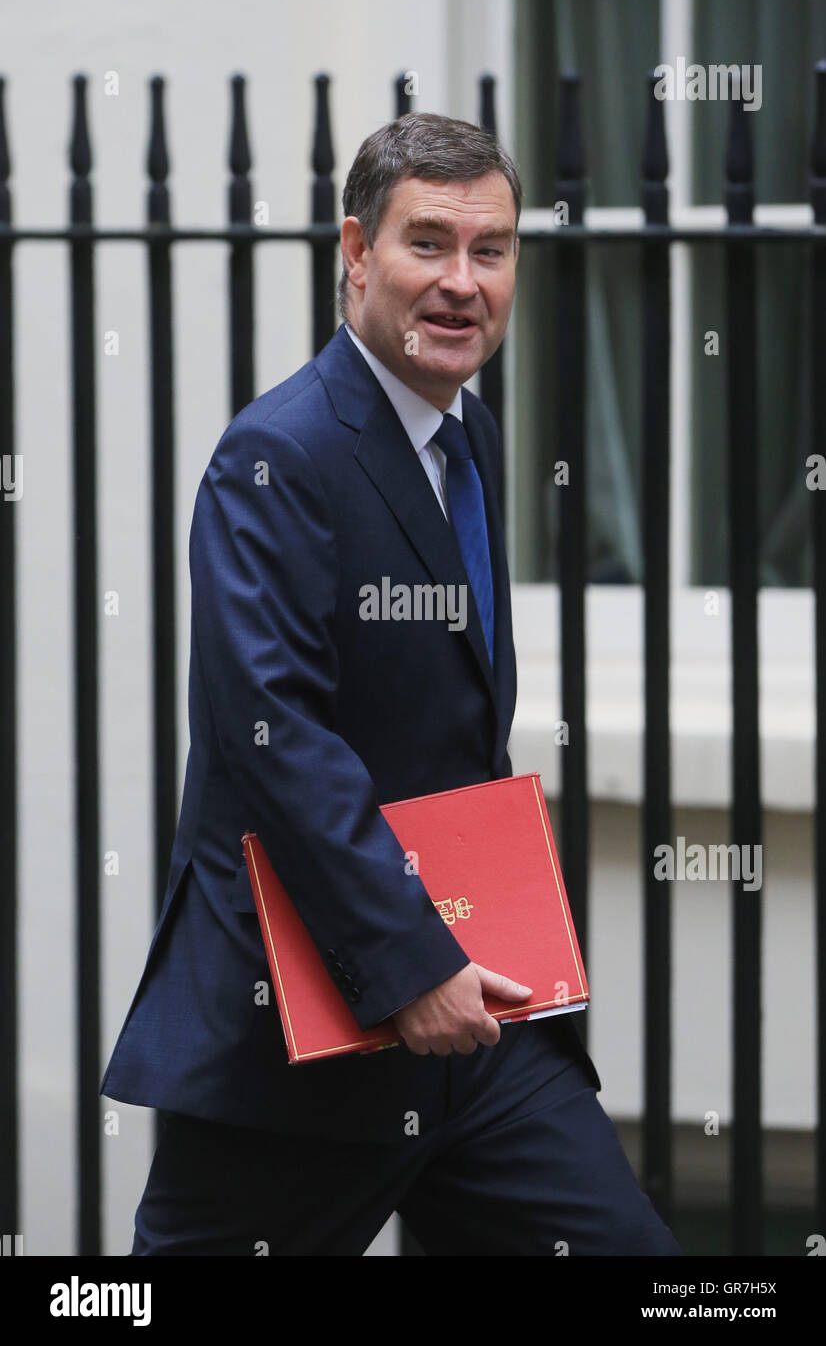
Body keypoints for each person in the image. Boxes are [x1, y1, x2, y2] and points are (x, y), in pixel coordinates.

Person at [100, 111, 682, 1257]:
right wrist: (408, 964)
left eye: (492, 250)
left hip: (481, 1030)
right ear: (355, 253)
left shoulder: (465, 435)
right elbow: (279, 739)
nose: (463, 283)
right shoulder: (276, 456)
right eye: (429, 245)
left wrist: (454, 955)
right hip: (303, 1031)